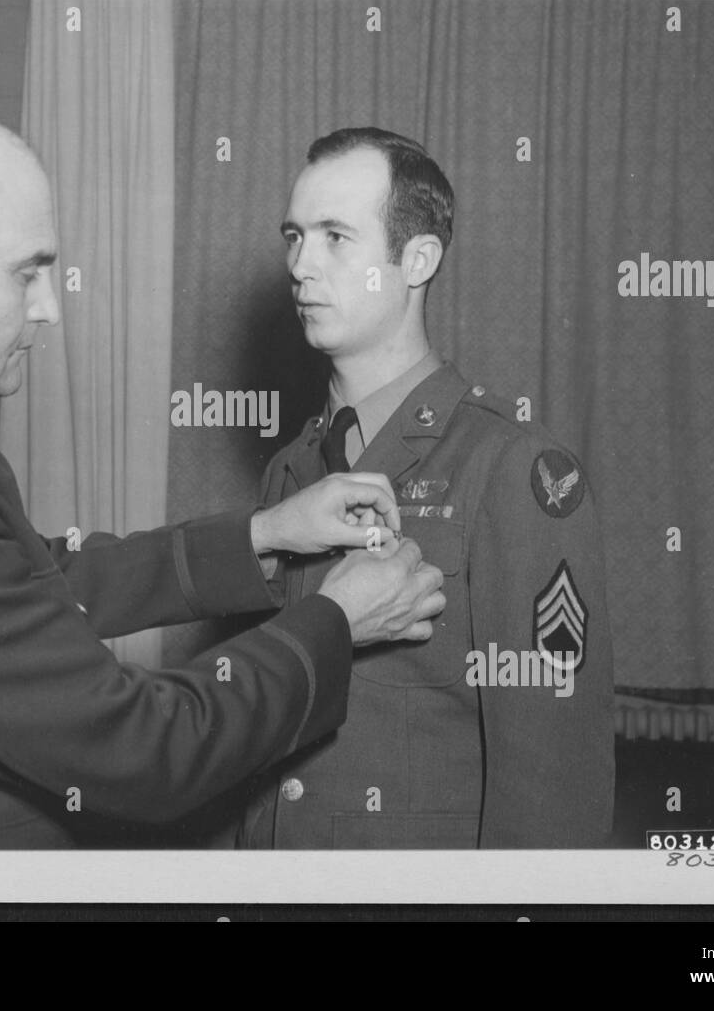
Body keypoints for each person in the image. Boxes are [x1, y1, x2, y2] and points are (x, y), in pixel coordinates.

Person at [0, 104, 447, 850]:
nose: (49, 307)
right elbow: (148, 751)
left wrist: (263, 535)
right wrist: (336, 620)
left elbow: (29, 586)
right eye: (25, 271)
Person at [237, 128, 615, 849]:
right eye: (293, 235)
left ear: (416, 259)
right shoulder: (291, 470)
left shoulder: (515, 467)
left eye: (335, 237)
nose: (299, 265)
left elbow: (552, 783)